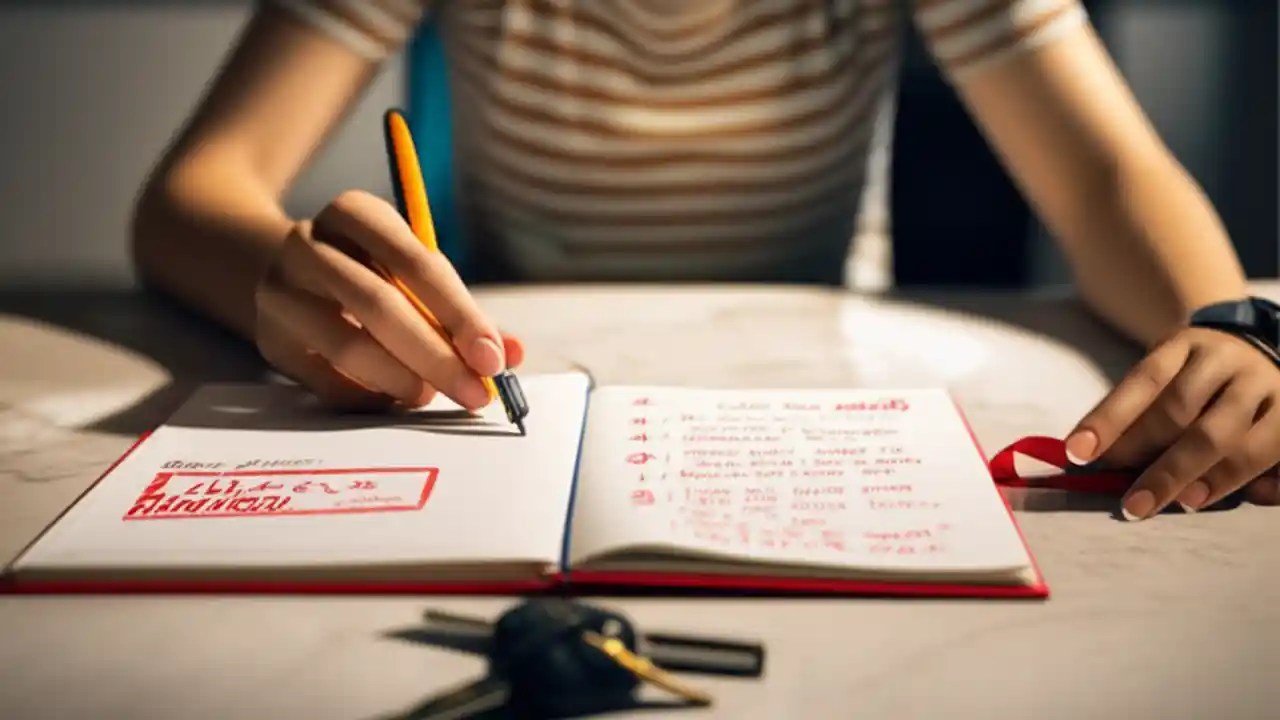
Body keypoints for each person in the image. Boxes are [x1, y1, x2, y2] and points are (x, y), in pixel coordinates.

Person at [130, 0, 1278, 518]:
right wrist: (277, 275)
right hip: (516, 391)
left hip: (826, 407)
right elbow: (187, 201)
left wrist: (1230, 327)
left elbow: (1101, 180)